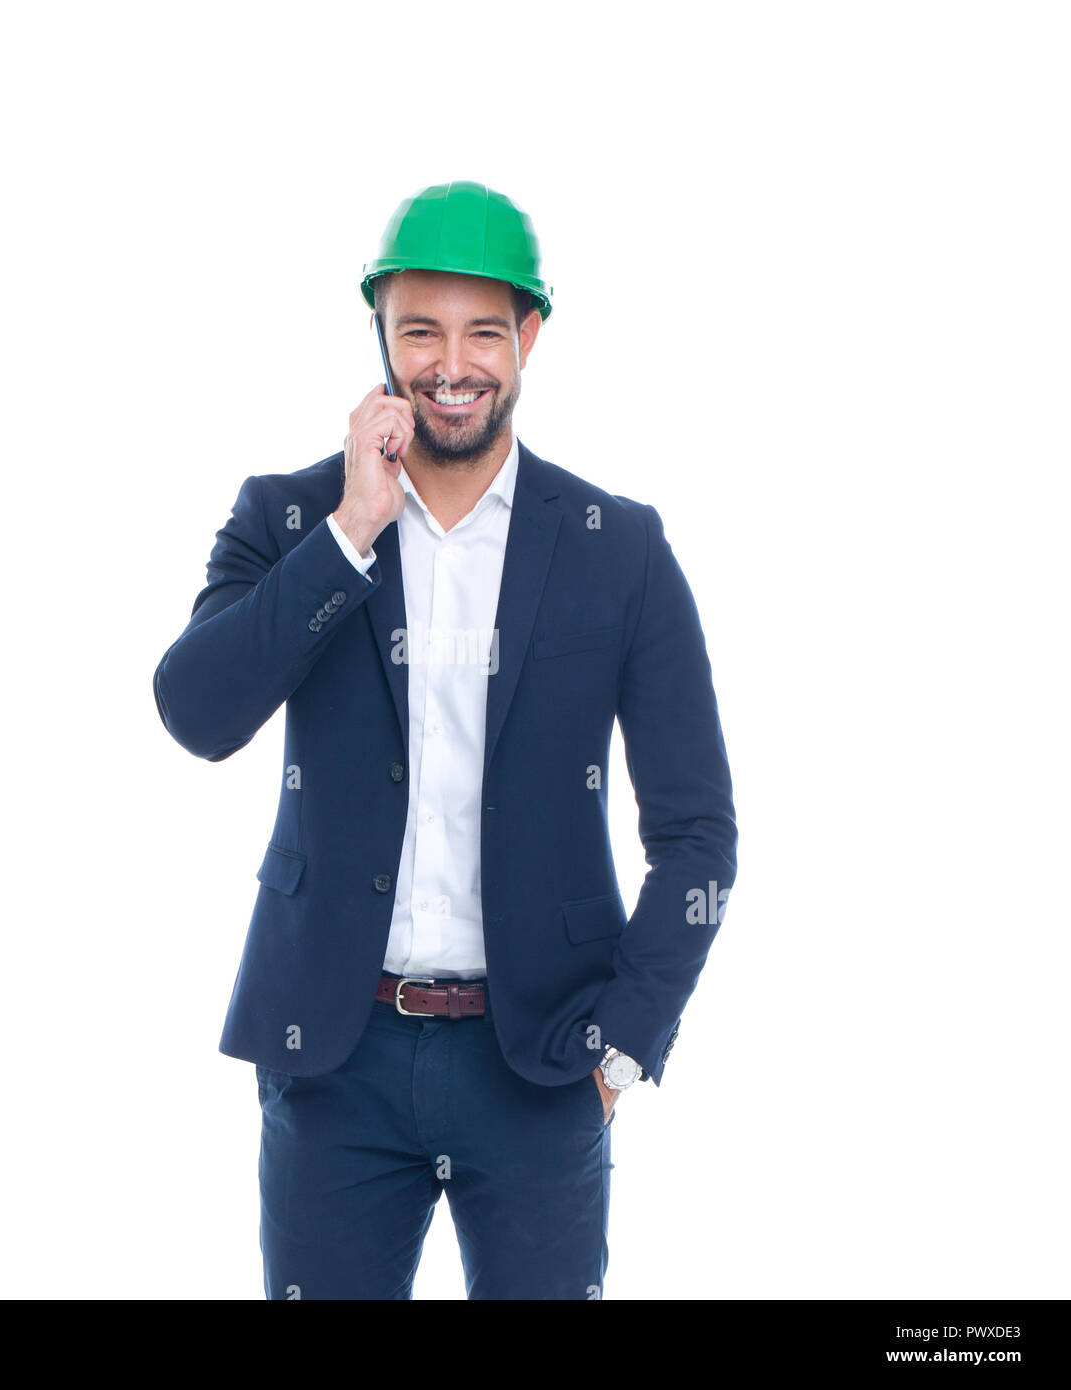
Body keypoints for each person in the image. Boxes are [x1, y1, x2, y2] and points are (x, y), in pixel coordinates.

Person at [152, 180, 738, 1300]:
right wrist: (349, 531)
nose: (450, 362)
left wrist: (621, 1044)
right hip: (335, 1052)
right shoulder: (289, 519)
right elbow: (195, 710)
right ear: (380, 336)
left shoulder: (619, 551)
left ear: (528, 337)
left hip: (539, 1056)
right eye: (419, 329)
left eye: (481, 329)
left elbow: (697, 835)